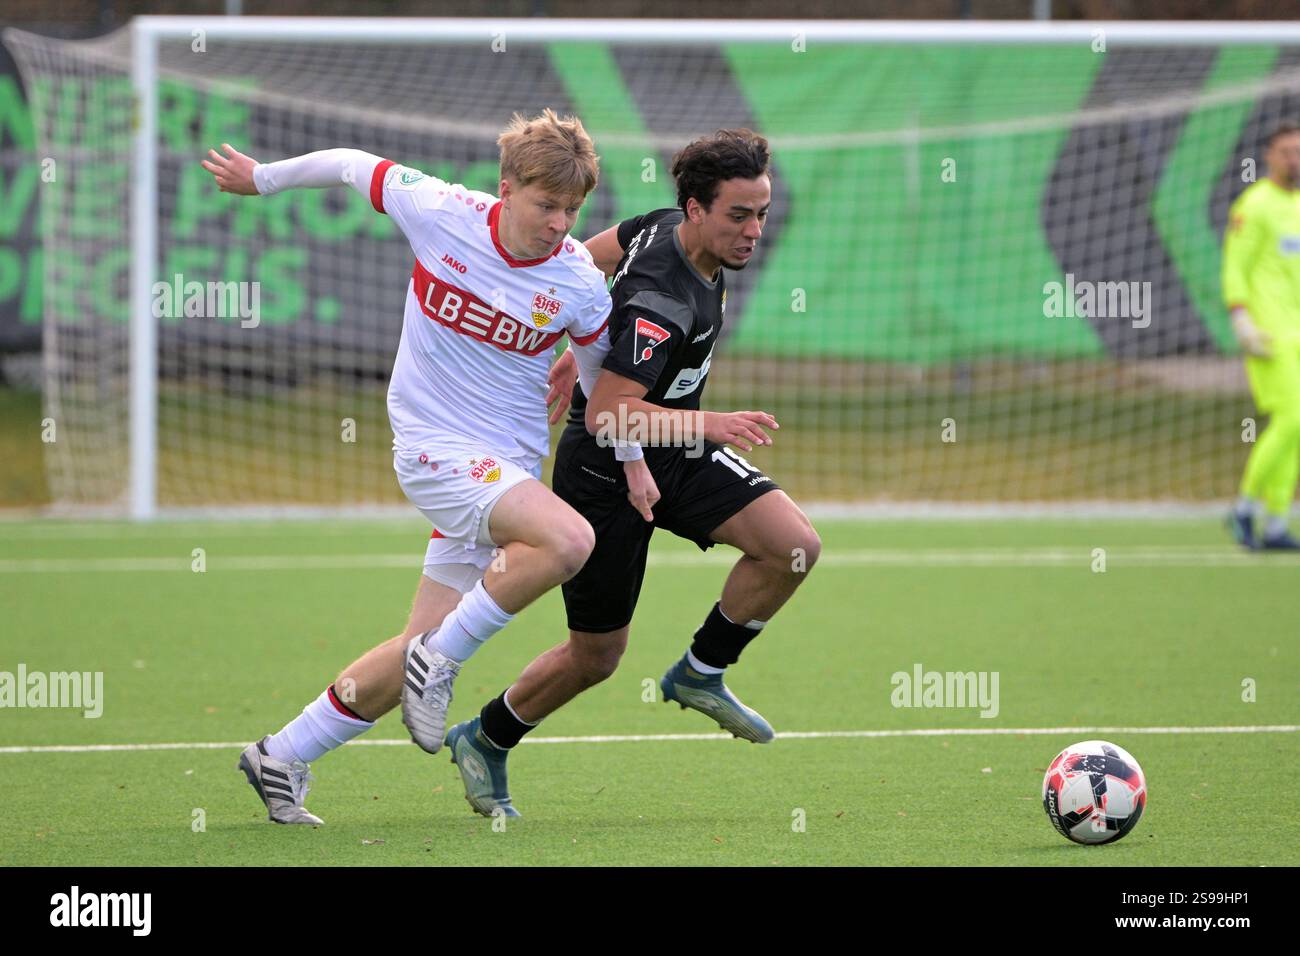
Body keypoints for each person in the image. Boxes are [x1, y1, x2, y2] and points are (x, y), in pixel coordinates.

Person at [201, 109, 623, 823]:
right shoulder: (442, 210)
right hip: (433, 450)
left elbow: (603, 388)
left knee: (409, 654)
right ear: (507, 187)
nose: (559, 223)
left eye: (572, 210)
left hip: (505, 472)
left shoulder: (580, 282)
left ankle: (283, 755)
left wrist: (632, 458)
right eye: (546, 204)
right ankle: (445, 662)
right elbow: (348, 162)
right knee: (569, 541)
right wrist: (263, 179)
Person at [442, 129, 822, 817]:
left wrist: (579, 332)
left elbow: (584, 257)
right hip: (604, 470)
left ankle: (701, 672)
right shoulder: (661, 304)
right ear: (697, 209)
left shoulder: (659, 227)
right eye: (740, 214)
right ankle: (485, 737)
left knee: (793, 546)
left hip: (670, 449)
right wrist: (708, 421)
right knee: (597, 657)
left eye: (762, 213)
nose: (754, 230)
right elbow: (611, 418)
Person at [1224, 120, 1300, 551]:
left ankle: (1274, 524)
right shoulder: (1254, 204)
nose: (1295, 158)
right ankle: (1243, 509)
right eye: (1286, 151)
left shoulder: (1298, 206)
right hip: (1268, 333)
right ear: (1269, 157)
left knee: (1296, 428)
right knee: (1292, 419)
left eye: (1299, 150)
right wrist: (1241, 318)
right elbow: (1235, 264)